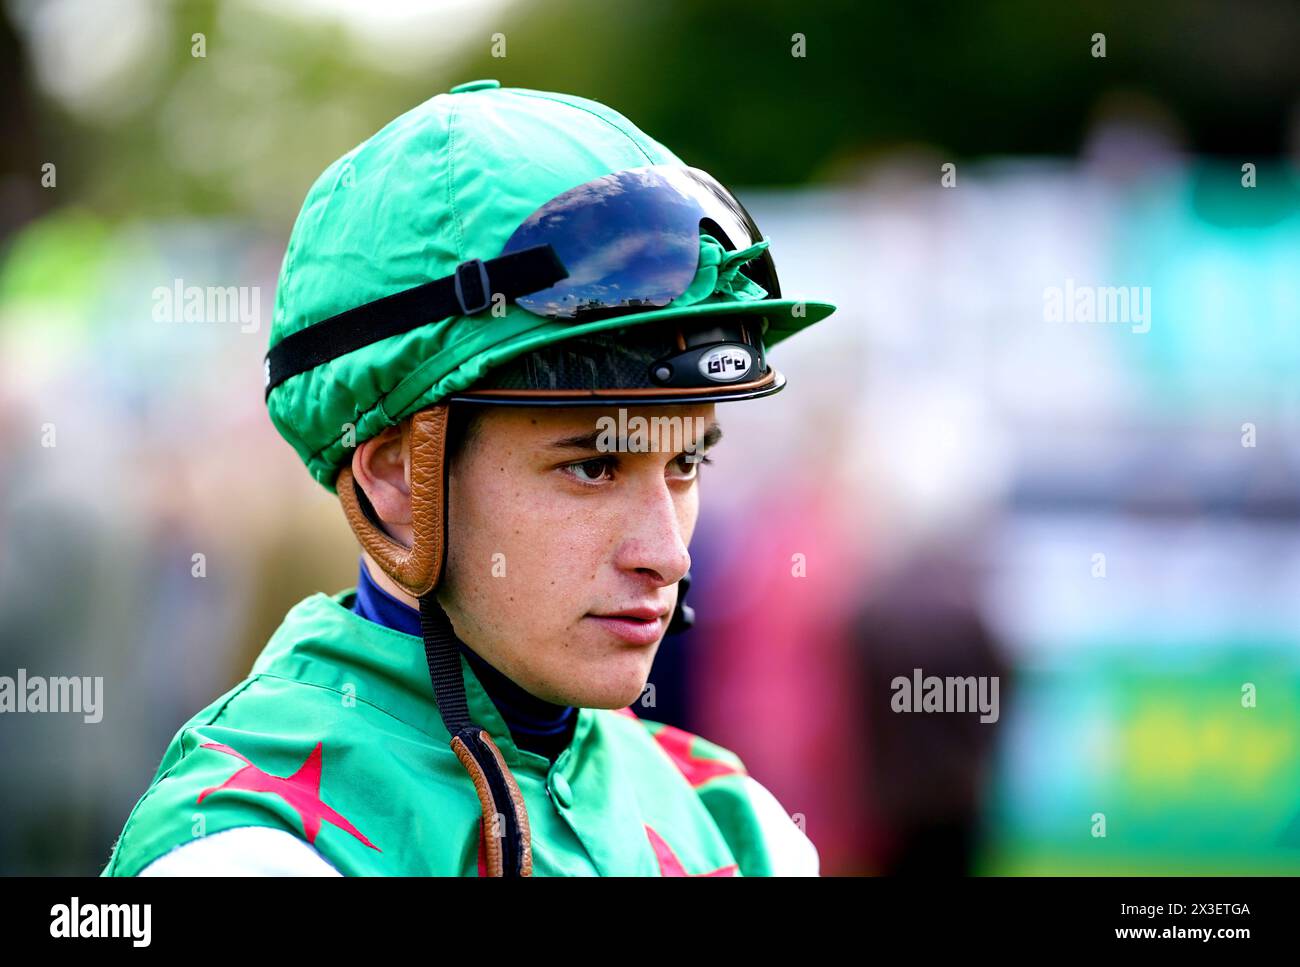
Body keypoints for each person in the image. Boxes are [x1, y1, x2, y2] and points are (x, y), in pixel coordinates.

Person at [101, 79, 837, 876]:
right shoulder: (249, 851)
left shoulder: (739, 825)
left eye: (687, 461)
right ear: (396, 480)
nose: (669, 554)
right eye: (593, 465)